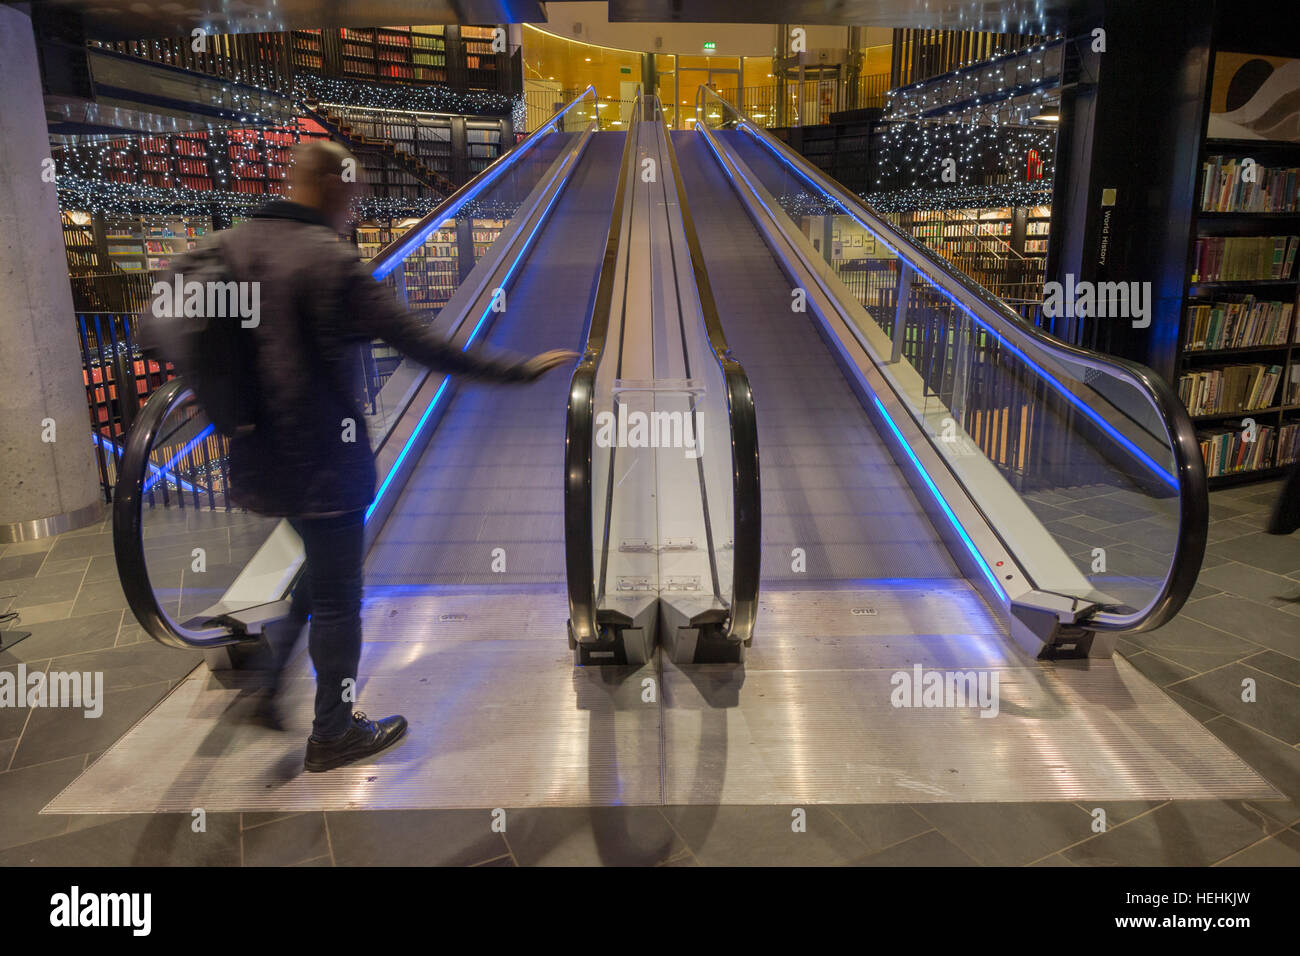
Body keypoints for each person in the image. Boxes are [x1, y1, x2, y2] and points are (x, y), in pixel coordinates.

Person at [215, 141, 575, 771]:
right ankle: (332, 732)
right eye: (352, 189)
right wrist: (515, 371)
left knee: (321, 572)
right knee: (337, 595)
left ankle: (269, 685)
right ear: (329, 184)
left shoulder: (237, 244)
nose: (357, 203)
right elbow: (422, 344)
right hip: (325, 460)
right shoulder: (332, 263)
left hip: (258, 457)